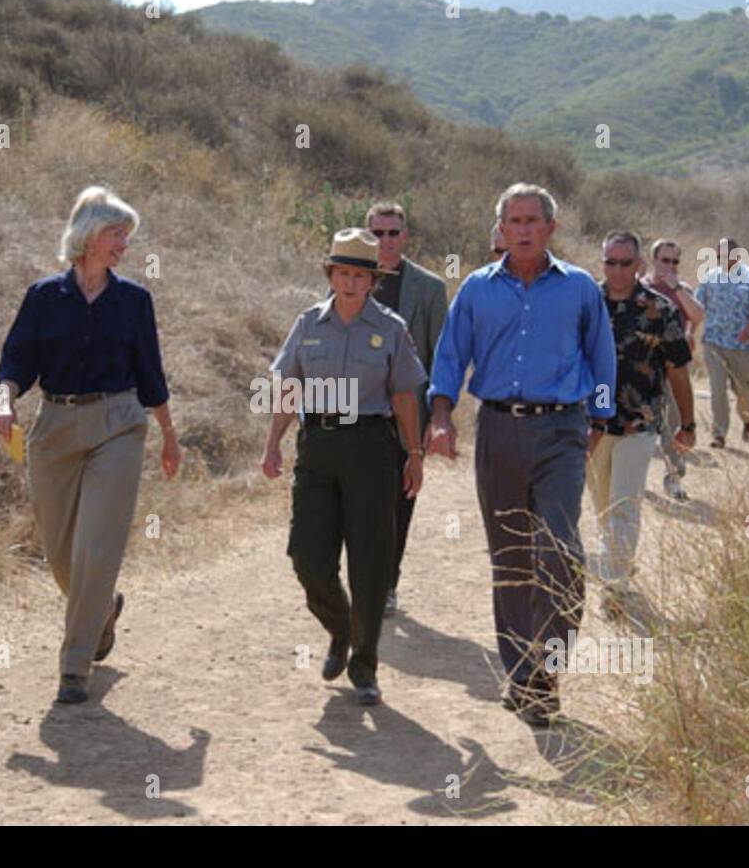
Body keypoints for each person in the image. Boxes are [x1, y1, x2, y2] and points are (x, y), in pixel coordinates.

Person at [426, 183, 616, 727]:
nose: (525, 228)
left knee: (560, 552)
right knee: (510, 559)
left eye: (534, 219)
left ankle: (546, 672)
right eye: (515, 220)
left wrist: (598, 424)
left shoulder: (579, 288)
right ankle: (522, 676)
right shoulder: (476, 290)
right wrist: (441, 417)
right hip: (498, 431)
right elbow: (450, 357)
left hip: (561, 431)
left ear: (551, 228)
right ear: (501, 230)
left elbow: (602, 359)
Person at [0, 186, 182, 705]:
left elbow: (151, 376)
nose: (124, 244)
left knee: (95, 547)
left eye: (126, 235)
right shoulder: (42, 298)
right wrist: (3, 401)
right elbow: (14, 362)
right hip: (54, 426)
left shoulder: (134, 302)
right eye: (116, 233)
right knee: (59, 551)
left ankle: (74, 667)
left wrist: (168, 434)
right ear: (89, 236)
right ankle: (101, 610)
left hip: (119, 424)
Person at [261, 228, 426, 707]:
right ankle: (340, 627)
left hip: (371, 447)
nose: (351, 283)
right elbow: (289, 388)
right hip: (318, 446)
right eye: (343, 273)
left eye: (360, 275)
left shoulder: (390, 327)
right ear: (330, 275)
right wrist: (274, 443)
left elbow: (403, 395)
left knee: (370, 561)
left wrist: (413, 455)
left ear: (373, 280)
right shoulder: (308, 323)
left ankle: (365, 665)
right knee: (306, 556)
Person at [587, 232, 695, 610]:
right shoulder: (585, 302)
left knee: (623, 505)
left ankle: (614, 588)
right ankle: (620, 564)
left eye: (625, 263)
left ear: (639, 266)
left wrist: (689, 423)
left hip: (639, 423)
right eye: (609, 262)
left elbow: (678, 370)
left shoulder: (660, 310)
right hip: (590, 427)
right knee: (602, 506)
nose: (616, 270)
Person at [366, 202, 448, 615]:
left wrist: (436, 419)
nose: (385, 241)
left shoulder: (430, 289)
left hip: (407, 415)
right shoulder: (350, 278)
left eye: (393, 233)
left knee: (399, 500)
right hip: (358, 413)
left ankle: (387, 584)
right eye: (377, 233)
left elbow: (442, 358)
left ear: (406, 235)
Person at [641, 238, 704, 501]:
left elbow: (698, 316)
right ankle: (633, 479)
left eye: (675, 261)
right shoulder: (640, 286)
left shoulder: (683, 289)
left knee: (674, 423)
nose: (670, 266)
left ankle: (674, 478)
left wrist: (676, 288)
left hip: (673, 369)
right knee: (639, 426)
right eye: (665, 260)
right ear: (654, 260)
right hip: (641, 369)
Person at [696, 238, 749, 448]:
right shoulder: (710, 277)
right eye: (719, 256)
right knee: (718, 389)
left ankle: (748, 419)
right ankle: (719, 433)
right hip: (714, 341)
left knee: (742, 388)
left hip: (740, 344)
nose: (722, 260)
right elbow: (699, 305)